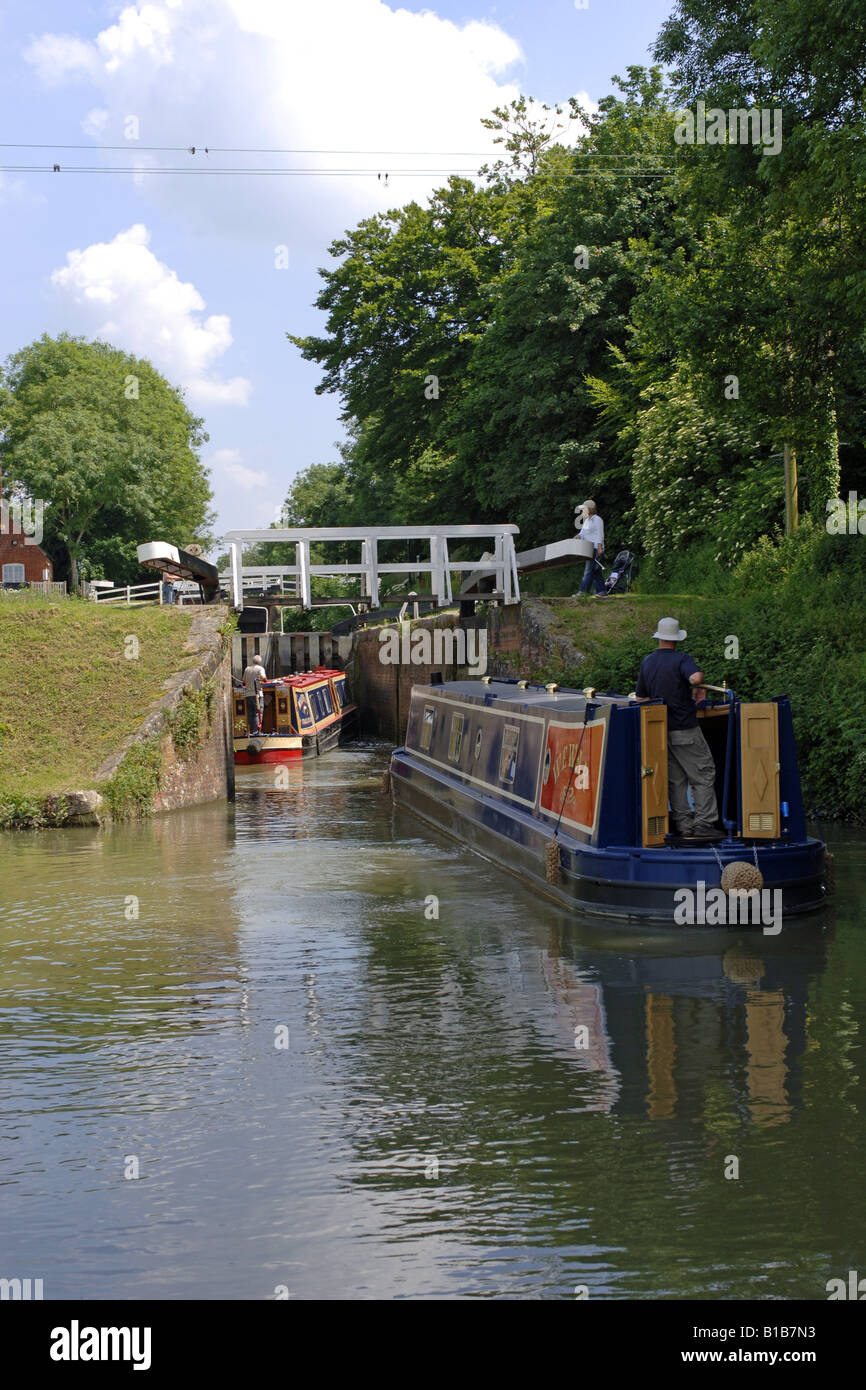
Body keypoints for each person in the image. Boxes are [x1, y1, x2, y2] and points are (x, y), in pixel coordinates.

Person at [634, 617, 719, 839]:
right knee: (703, 774)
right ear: (676, 640)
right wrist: (697, 685)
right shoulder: (682, 659)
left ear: (660, 638)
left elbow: (641, 698)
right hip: (684, 728)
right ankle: (704, 824)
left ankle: (684, 826)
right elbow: (696, 676)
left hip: (660, 733)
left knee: (676, 780)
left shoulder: (647, 662)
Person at [575, 499, 604, 595]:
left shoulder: (597, 520)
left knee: (588, 571)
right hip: (588, 548)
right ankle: (602, 591)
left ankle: (583, 592)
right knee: (595, 571)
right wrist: (577, 537)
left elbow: (600, 534)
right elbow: (582, 534)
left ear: (589, 509)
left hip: (595, 548)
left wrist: (600, 548)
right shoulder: (586, 521)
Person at [242, 652, 267, 736]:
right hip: (257, 694)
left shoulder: (247, 669)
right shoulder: (260, 669)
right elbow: (263, 678)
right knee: (258, 712)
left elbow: (244, 681)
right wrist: (265, 680)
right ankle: (257, 732)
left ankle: (252, 731)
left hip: (248, 694)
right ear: (259, 662)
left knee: (250, 713)